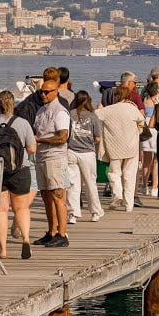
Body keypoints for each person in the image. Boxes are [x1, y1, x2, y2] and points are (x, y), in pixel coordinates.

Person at [0, 90, 37, 260]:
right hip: (20, 169)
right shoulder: (22, 123)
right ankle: (26, 239)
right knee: (21, 208)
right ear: (13, 104)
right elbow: (32, 149)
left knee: (1, 210)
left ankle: (3, 249)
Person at [32, 79, 71, 248]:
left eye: (47, 92)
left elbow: (63, 137)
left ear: (56, 92)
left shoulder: (60, 112)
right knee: (46, 195)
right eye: (41, 91)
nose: (43, 94)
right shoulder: (41, 111)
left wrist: (40, 140)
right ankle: (52, 231)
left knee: (58, 195)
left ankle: (62, 234)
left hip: (55, 157)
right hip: (41, 156)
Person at [98, 86, 146, 211]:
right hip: (131, 146)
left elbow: (96, 116)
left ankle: (117, 194)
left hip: (114, 146)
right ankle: (129, 205)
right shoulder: (132, 109)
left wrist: (99, 107)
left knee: (114, 173)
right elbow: (142, 121)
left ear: (116, 96)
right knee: (130, 175)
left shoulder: (109, 110)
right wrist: (137, 131)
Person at [66, 91, 105, 224]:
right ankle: (95, 212)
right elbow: (98, 138)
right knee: (90, 183)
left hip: (71, 152)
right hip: (87, 153)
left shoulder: (70, 114)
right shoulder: (93, 116)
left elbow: (66, 135)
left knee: (73, 185)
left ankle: (73, 214)